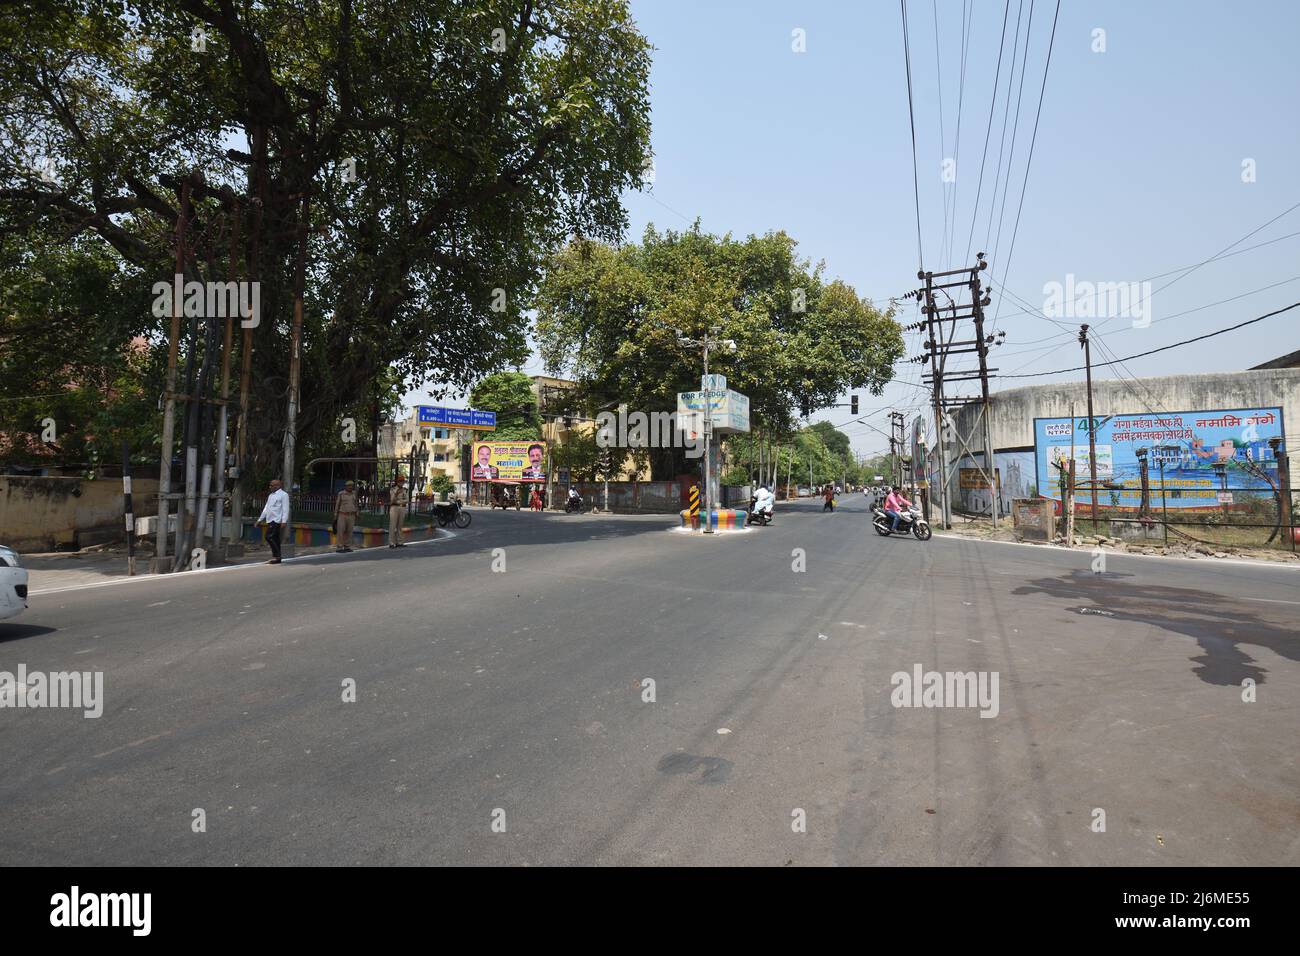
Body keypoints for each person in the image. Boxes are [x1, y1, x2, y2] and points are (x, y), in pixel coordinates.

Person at [256, 478, 290, 564]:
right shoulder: (271, 495)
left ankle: (277, 556)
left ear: (278, 486)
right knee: (275, 538)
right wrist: (259, 520)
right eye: (270, 485)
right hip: (270, 519)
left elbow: (285, 509)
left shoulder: (284, 495)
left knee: (269, 537)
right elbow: (266, 508)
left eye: (272, 485)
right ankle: (277, 558)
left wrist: (284, 521)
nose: (270, 487)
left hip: (277, 520)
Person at [333, 480, 359, 553]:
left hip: (351, 515)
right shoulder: (341, 494)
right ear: (346, 486)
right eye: (349, 486)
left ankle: (347, 546)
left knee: (350, 531)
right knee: (340, 531)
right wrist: (335, 515)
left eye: (352, 486)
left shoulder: (354, 493)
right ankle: (339, 547)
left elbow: (356, 503)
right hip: (342, 514)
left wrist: (357, 512)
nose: (351, 487)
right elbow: (337, 504)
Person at [388, 475, 410, 548]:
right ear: (397, 482)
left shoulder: (405, 490)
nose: (401, 483)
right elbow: (392, 500)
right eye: (400, 481)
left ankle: (399, 542)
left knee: (400, 526)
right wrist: (397, 493)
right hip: (394, 508)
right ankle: (391, 543)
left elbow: (407, 500)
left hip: (402, 508)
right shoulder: (393, 489)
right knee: (392, 526)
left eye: (402, 481)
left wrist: (399, 501)